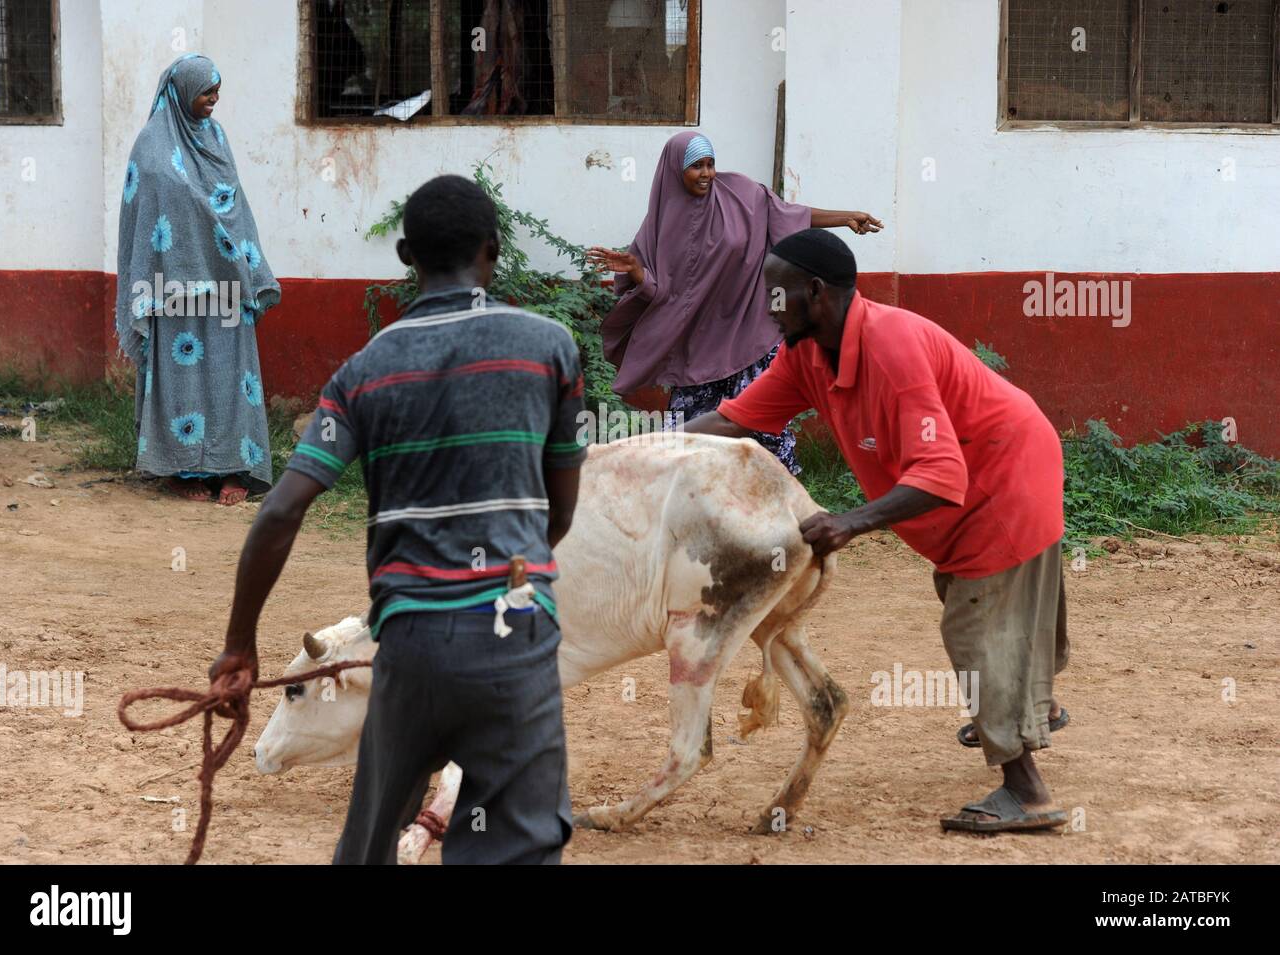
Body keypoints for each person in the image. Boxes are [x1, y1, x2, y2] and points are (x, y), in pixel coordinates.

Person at [208, 175, 586, 864]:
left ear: (406, 253)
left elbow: (282, 508)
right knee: (515, 847)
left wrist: (239, 644)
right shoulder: (551, 348)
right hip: (515, 637)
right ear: (493, 251)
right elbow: (560, 509)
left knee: (368, 846)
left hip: (409, 645)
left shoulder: (363, 370)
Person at [684, 228, 1071, 833]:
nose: (768, 307)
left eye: (776, 294)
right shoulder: (808, 355)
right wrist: (639, 454)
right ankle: (1031, 706)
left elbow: (941, 474)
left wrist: (849, 523)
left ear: (815, 292)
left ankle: (1027, 792)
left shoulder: (890, 345)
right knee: (988, 603)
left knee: (976, 620)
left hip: (1003, 474)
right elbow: (732, 420)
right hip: (994, 466)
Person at [587, 131, 881, 474]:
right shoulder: (656, 230)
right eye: (696, 166)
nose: (707, 174)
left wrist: (845, 218)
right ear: (674, 170)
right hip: (696, 350)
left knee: (763, 430)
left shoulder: (742, 194)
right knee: (689, 445)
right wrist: (638, 272)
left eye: (711, 164)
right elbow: (660, 296)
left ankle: (785, 511)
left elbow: (787, 214)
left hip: (749, 334)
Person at [115, 53, 280, 505]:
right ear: (184, 90)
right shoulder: (151, 144)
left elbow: (233, 202)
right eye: (207, 91)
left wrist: (244, 262)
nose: (213, 100)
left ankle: (234, 468)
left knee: (229, 372)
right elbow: (146, 207)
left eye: (217, 92)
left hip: (225, 279)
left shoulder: (216, 136)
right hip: (172, 287)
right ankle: (183, 470)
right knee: (180, 377)